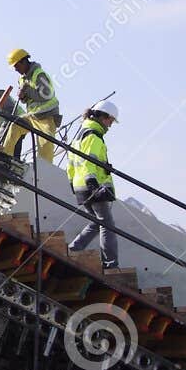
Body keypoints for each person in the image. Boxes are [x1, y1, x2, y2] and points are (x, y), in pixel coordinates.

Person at [66, 100, 120, 268]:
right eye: (110, 121)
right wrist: (93, 184)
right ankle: (110, 262)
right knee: (107, 226)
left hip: (80, 185)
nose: (110, 126)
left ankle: (73, 250)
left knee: (97, 223)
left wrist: (73, 185)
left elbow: (71, 164)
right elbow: (89, 161)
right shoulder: (93, 136)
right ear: (103, 117)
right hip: (92, 186)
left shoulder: (80, 134)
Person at [7, 48, 60, 163]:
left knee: (45, 145)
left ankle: (44, 173)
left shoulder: (39, 74)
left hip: (46, 116)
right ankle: (4, 156)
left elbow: (46, 95)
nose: (15, 69)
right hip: (32, 116)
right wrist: (23, 97)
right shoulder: (21, 79)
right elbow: (28, 100)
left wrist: (26, 91)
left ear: (24, 61)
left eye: (16, 66)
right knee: (15, 125)